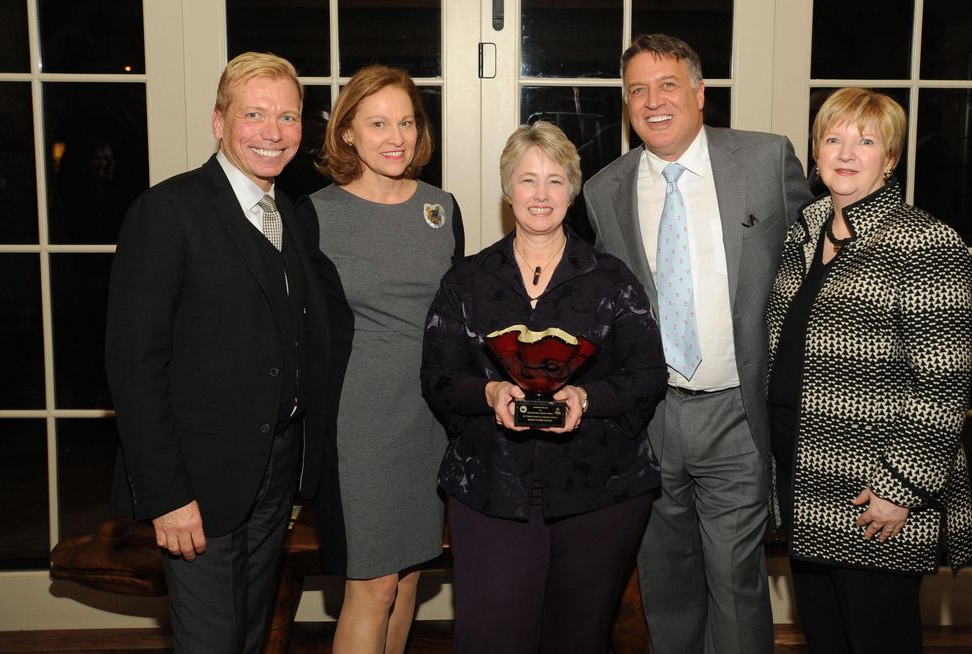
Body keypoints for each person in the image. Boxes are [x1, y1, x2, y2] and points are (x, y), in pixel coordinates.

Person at [106, 52, 351, 653]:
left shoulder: (288, 214)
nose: (273, 132)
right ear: (219, 122)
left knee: (247, 634)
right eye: (255, 114)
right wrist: (166, 497)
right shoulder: (167, 213)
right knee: (211, 640)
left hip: (272, 476)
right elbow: (134, 369)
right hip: (198, 483)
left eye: (288, 117)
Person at [584, 33, 811, 653]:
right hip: (651, 418)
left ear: (700, 92)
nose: (653, 101)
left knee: (736, 576)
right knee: (665, 576)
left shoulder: (765, 162)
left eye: (667, 85)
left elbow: (818, 258)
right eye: (637, 90)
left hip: (738, 410)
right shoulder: (606, 190)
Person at [422, 121, 667, 654]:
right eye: (527, 180)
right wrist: (489, 395)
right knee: (490, 637)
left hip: (602, 490)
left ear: (572, 191)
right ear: (508, 190)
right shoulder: (467, 280)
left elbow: (648, 376)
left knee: (577, 638)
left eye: (555, 180)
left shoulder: (612, 279)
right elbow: (438, 378)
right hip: (489, 485)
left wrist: (586, 398)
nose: (540, 194)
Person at [766, 88, 972, 652]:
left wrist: (900, 488)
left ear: (891, 158)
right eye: (833, 139)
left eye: (866, 140)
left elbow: (942, 386)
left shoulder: (925, 240)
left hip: (872, 490)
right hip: (801, 474)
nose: (846, 152)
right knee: (827, 635)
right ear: (816, 151)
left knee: (879, 637)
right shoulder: (804, 231)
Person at [297, 65, 463, 654]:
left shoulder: (441, 208)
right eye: (377, 123)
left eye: (406, 122)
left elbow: (456, 319)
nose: (396, 137)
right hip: (358, 421)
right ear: (347, 134)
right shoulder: (313, 215)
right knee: (372, 585)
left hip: (431, 422)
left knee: (411, 574)